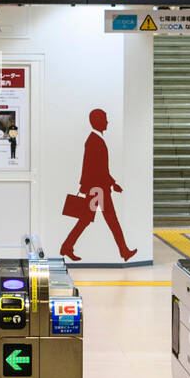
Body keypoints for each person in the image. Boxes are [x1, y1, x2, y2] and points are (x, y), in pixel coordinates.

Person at [59, 108, 137, 263]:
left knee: (87, 220)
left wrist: (111, 183)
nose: (107, 122)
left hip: (97, 188)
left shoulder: (95, 139)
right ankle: (124, 251)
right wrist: (112, 183)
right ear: (98, 121)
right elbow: (98, 169)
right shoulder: (94, 141)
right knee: (109, 220)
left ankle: (67, 246)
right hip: (98, 189)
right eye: (105, 119)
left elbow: (96, 167)